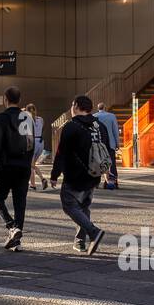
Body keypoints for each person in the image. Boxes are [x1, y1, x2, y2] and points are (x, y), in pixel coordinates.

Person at [50, 95, 110, 254]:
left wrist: (54, 174)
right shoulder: (99, 125)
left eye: (72, 105)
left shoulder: (71, 126)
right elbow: (106, 148)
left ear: (76, 106)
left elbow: (61, 152)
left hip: (75, 174)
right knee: (84, 207)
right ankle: (80, 241)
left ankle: (93, 231)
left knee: (69, 205)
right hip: (94, 173)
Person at [0, 87, 34, 250]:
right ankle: (16, 240)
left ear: (5, 99)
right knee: (20, 203)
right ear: (19, 99)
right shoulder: (27, 117)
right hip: (23, 166)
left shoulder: (2, 118)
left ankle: (12, 227)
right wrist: (28, 162)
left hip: (4, 166)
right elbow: (31, 143)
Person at [94, 101, 120, 189]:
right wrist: (117, 143)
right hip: (110, 143)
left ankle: (96, 182)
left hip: (98, 143)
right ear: (105, 108)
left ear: (98, 108)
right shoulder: (112, 116)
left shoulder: (94, 117)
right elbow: (115, 131)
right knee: (112, 163)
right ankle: (112, 181)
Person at [26, 103, 48, 191]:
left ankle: (35, 183)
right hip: (40, 142)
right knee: (32, 164)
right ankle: (37, 182)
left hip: (33, 142)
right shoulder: (41, 119)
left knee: (31, 165)